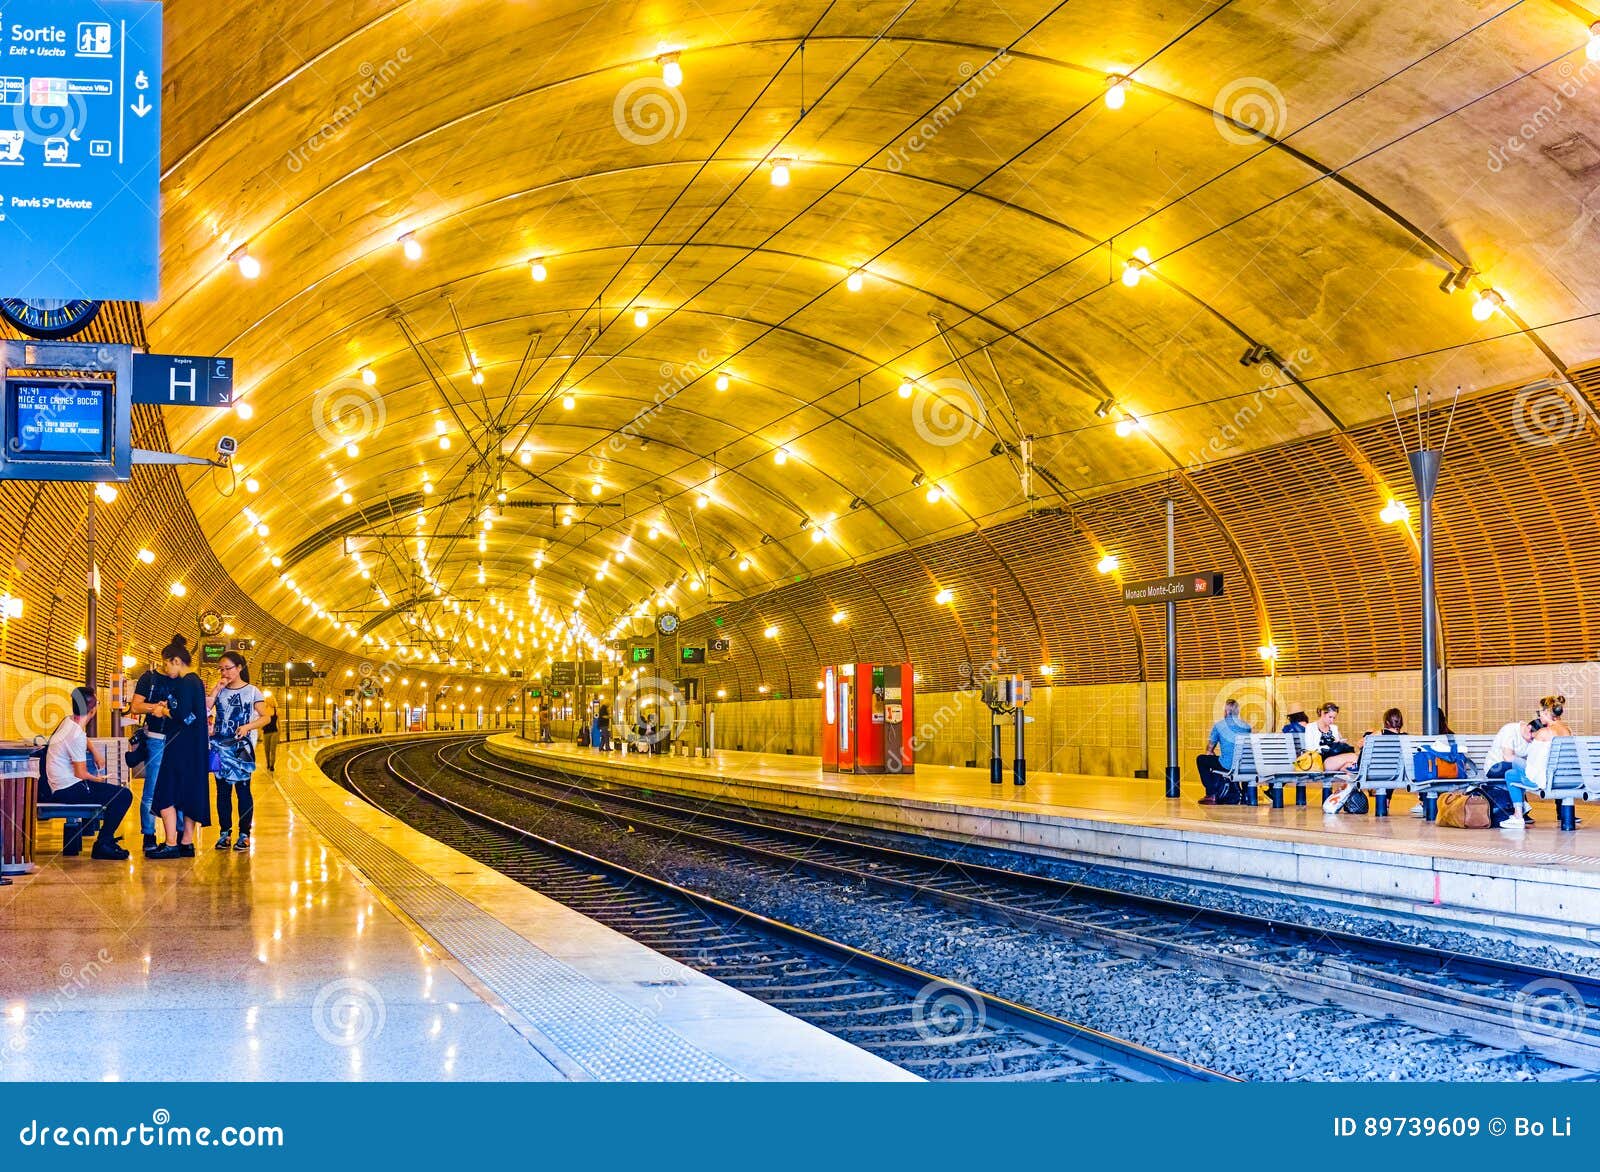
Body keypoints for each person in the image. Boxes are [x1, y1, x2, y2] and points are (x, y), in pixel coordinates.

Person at [42, 687, 132, 860]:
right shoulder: (76, 735)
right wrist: (98, 779)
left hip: (58, 784)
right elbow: (81, 773)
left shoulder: (67, 722)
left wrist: (94, 751)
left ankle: (105, 841)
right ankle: (103, 844)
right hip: (67, 790)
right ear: (93, 709)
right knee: (123, 796)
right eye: (97, 703)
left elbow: (82, 738)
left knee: (112, 793)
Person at [147, 636, 210, 859]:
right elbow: (192, 713)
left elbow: (183, 716)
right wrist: (170, 707)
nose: (165, 669)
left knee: (165, 793)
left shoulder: (185, 682)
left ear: (176, 660)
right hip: (195, 748)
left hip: (179, 747)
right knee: (190, 793)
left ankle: (171, 843)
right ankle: (187, 843)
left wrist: (162, 711)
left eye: (166, 664)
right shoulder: (196, 682)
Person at [210, 651, 268, 851]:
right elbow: (205, 708)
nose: (225, 672)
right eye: (222, 669)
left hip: (242, 749)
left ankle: (244, 834)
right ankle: (224, 833)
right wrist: (216, 689)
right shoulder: (219, 689)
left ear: (240, 668)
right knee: (222, 792)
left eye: (228, 668)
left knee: (243, 791)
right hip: (219, 746)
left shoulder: (252, 691)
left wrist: (247, 727)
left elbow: (265, 717)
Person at [129, 651, 182, 852]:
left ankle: (176, 833)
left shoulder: (182, 679)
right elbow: (136, 705)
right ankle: (148, 834)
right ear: (166, 661)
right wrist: (154, 708)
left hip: (177, 740)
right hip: (156, 739)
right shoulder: (149, 678)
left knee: (178, 787)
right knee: (151, 788)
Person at [1504, 695, 1572, 831]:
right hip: (1566, 779)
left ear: (1547, 712)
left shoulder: (1543, 733)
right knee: (1513, 771)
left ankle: (1518, 816)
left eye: (1540, 712)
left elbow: (1532, 763)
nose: (1539, 716)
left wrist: (1516, 760)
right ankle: (1518, 815)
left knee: (1511, 772)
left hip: (1545, 780)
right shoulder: (1568, 731)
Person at [1477, 716, 1535, 825]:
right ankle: (1522, 811)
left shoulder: (1532, 739)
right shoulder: (1510, 730)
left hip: (1514, 767)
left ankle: (1520, 812)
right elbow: (1507, 758)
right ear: (1529, 727)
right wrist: (1529, 766)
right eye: (1532, 736)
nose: (1533, 739)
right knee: (1518, 768)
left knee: (1516, 773)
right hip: (1495, 767)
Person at [1196, 698, 1251, 805]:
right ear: (1237, 712)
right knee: (1242, 761)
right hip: (1245, 765)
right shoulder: (1246, 727)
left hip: (1227, 765)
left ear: (1225, 711)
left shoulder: (1219, 725)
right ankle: (1246, 795)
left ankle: (1211, 794)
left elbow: (1209, 749)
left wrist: (1211, 755)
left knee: (1201, 759)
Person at [1309, 702, 1361, 813]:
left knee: (1348, 767)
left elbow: (1338, 747)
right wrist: (1330, 745)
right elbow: (1311, 749)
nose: (1332, 720)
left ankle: (1341, 795)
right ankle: (1345, 791)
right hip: (1323, 761)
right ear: (1323, 713)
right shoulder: (1311, 727)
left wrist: (1339, 743)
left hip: (1336, 760)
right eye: (1330, 717)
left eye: (1334, 718)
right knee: (1354, 757)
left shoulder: (1334, 728)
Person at [259, 692, 280, 771]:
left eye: (270, 700)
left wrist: (280, 734)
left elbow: (279, 723)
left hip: (274, 731)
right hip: (266, 732)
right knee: (266, 750)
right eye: (267, 700)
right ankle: (268, 763)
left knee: (272, 749)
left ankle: (272, 765)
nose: (268, 701)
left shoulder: (276, 710)